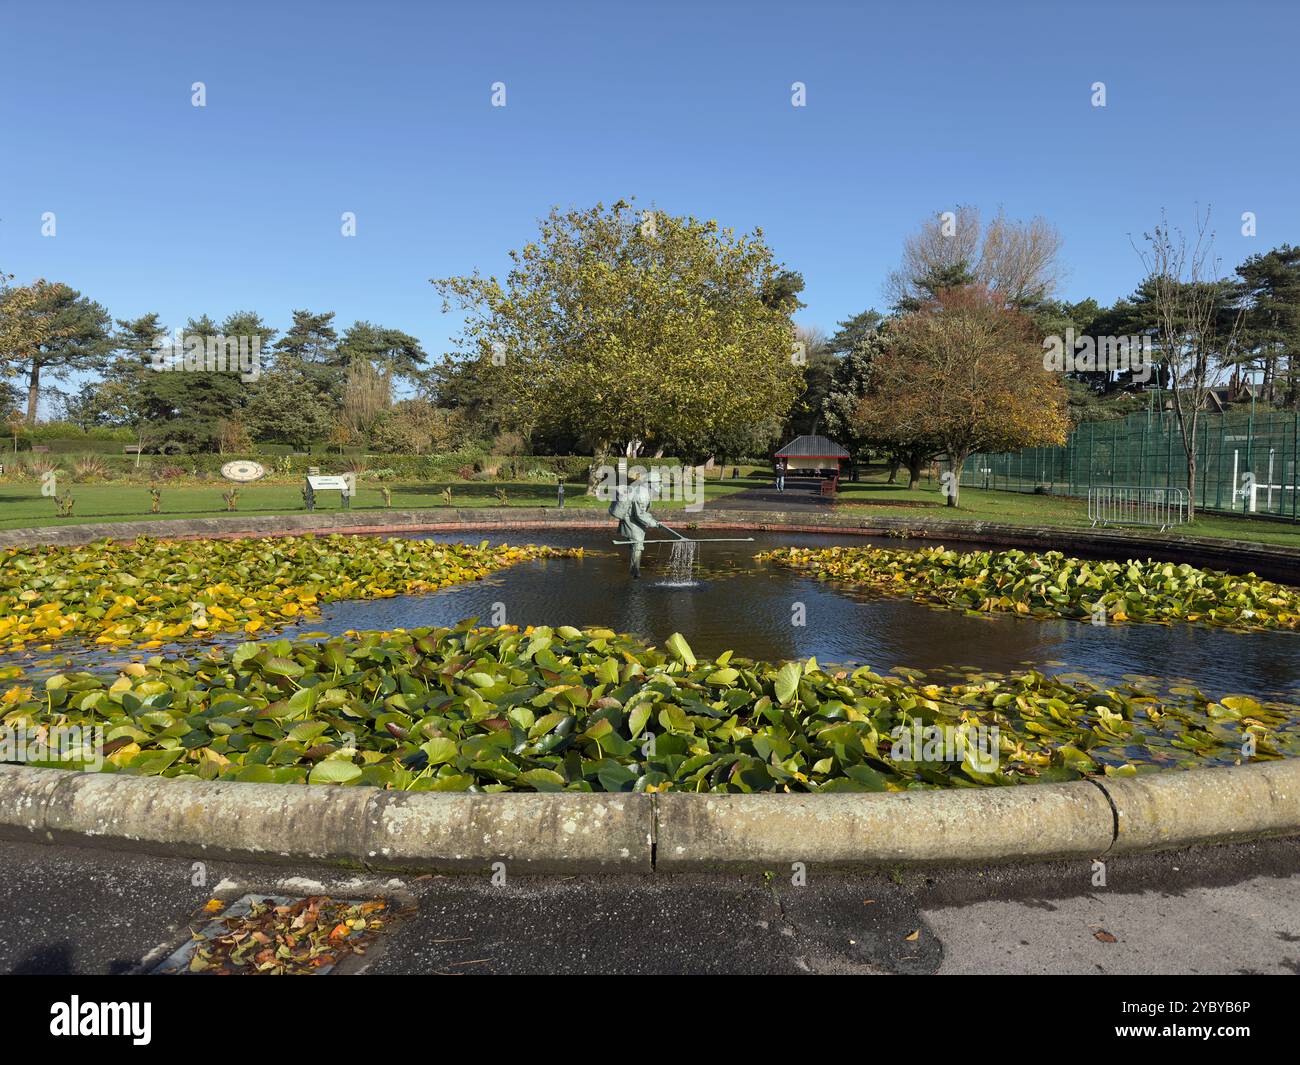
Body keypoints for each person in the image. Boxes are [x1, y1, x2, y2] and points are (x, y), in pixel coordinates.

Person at [609, 470, 663, 578]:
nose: (659, 485)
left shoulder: (643, 490)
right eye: (657, 482)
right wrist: (654, 523)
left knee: (636, 544)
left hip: (633, 517)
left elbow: (642, 512)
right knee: (638, 544)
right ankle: (635, 572)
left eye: (659, 482)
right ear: (649, 483)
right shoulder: (642, 494)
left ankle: (634, 571)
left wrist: (653, 521)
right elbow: (640, 515)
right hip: (631, 520)